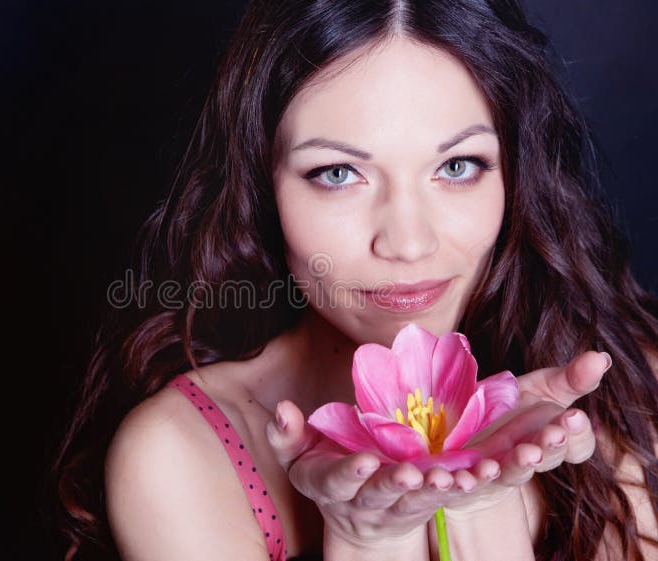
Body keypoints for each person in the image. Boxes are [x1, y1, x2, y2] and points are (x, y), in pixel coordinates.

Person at [52, 1, 658, 560]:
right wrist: (367, 538)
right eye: (338, 172)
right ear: (263, 190)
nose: (408, 243)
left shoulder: (623, 394)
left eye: (457, 166)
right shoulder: (182, 455)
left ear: (516, 174)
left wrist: (481, 508)